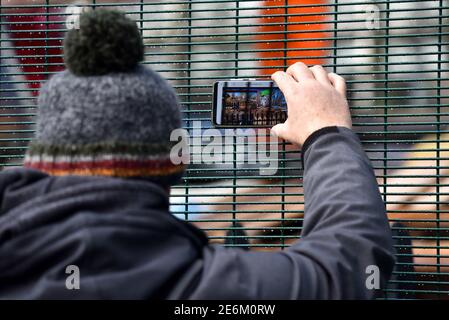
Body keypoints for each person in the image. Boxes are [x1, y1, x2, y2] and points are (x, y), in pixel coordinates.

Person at [0, 9, 395, 299]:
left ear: (40, 155)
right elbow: (344, 269)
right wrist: (327, 132)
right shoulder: (190, 284)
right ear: (175, 163)